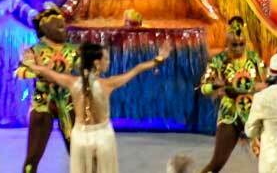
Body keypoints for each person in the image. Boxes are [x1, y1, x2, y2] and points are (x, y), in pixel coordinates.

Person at [19, 38, 171, 173]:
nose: (109, 62)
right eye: (106, 59)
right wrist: (159, 58)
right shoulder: (107, 84)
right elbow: (137, 69)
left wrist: (29, 62)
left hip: (80, 138)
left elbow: (45, 71)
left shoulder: (71, 82)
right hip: (102, 138)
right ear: (97, 63)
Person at [16, 4, 80, 173]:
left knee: (78, 152)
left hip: (68, 103)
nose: (63, 27)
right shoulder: (33, 51)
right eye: (58, 25)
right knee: (33, 155)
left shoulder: (73, 50)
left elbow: (86, 69)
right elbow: (21, 72)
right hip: (43, 103)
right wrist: (39, 72)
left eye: (63, 24)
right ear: (45, 28)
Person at [198, 16, 266, 173]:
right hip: (230, 113)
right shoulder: (218, 61)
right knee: (216, 164)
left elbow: (266, 83)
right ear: (227, 43)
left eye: (241, 44)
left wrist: (254, 87)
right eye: (234, 45)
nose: (238, 48)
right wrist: (214, 86)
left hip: (254, 113)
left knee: (270, 160)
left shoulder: (254, 58)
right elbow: (203, 88)